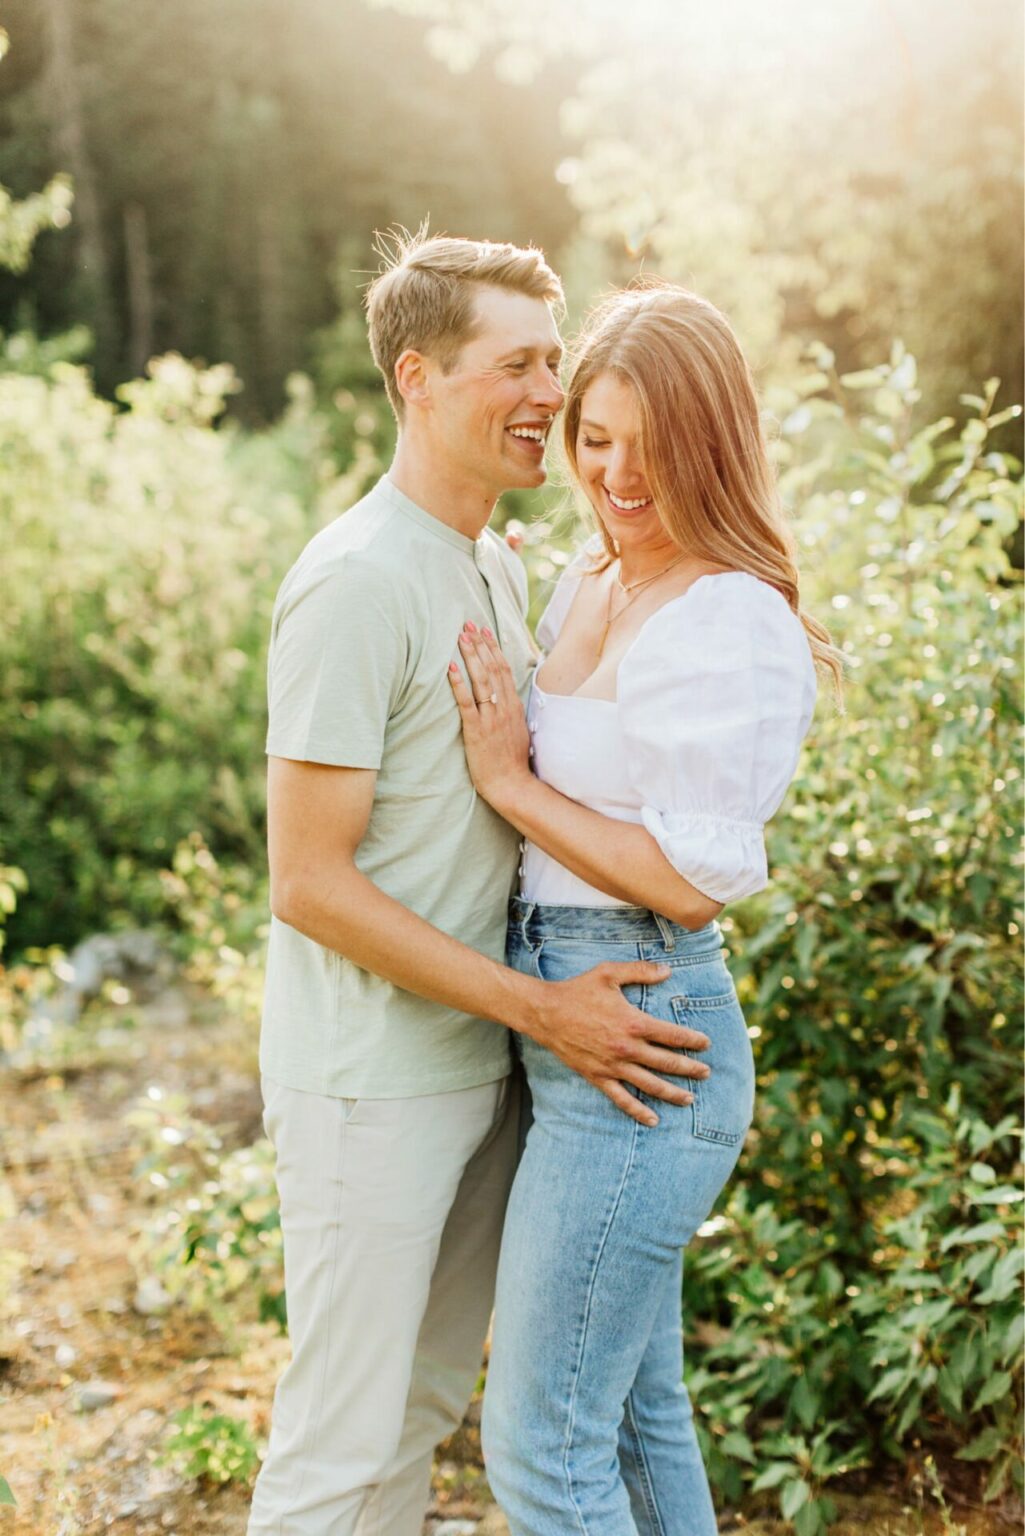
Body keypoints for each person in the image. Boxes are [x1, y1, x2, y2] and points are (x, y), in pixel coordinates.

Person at [247, 238, 716, 1536]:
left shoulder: (496, 565)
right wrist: (543, 1006)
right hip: (371, 1081)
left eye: (552, 361)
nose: (547, 392)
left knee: (420, 1410)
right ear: (416, 377)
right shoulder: (352, 583)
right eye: (514, 363)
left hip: (487, 1065)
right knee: (339, 1447)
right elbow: (308, 883)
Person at [448, 280, 840, 1535]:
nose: (616, 474)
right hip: (577, 1023)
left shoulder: (723, 614)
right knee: (623, 1415)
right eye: (594, 438)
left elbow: (685, 873)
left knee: (539, 1449)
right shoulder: (594, 574)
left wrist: (506, 782)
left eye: (648, 445)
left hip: (643, 1035)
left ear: (711, 441)